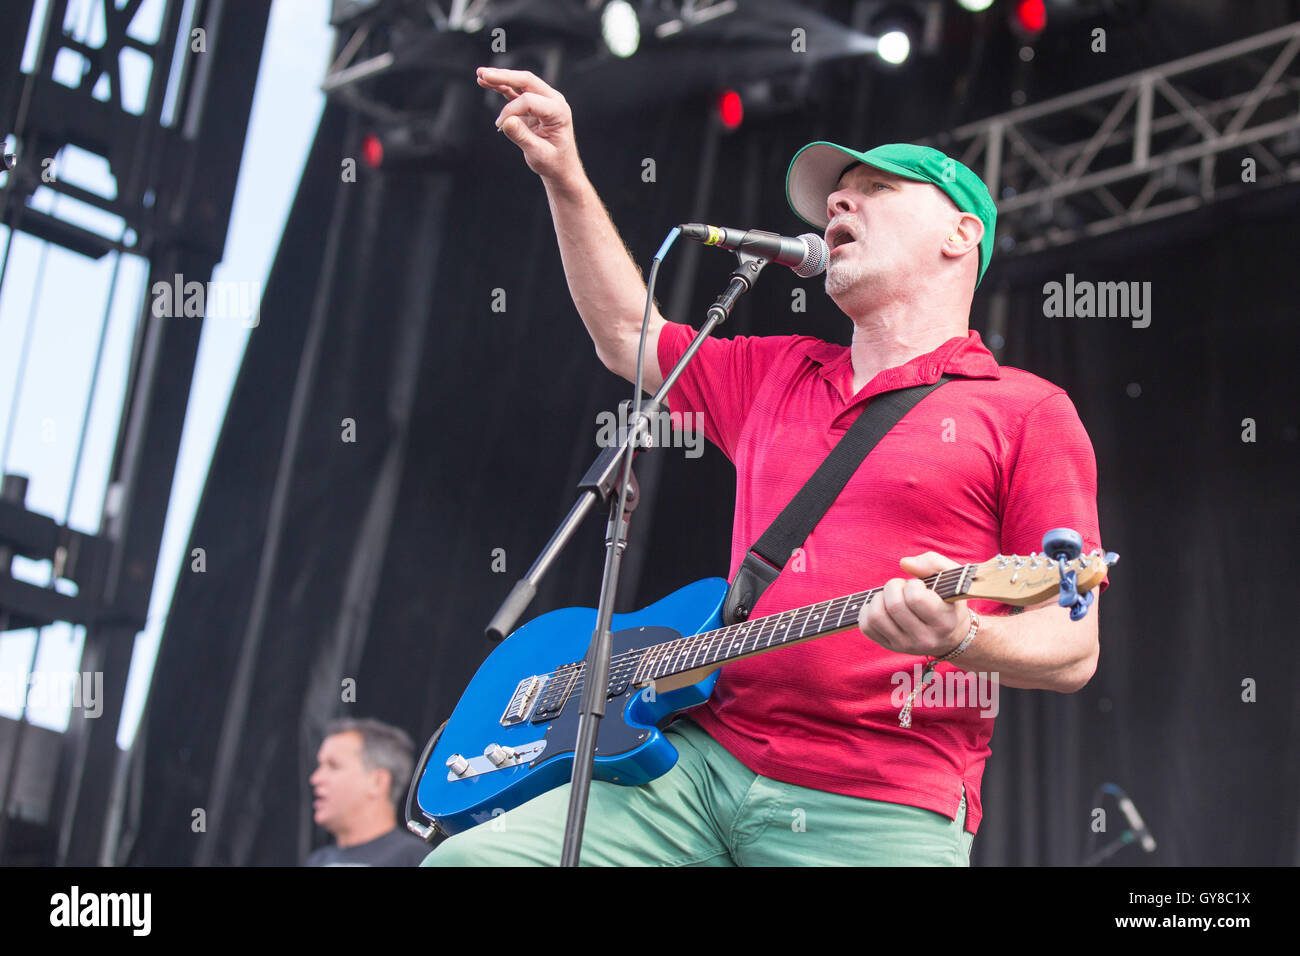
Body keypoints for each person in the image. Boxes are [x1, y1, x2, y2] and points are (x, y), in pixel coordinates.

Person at [420, 67, 1108, 867]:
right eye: (834, 197)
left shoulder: (1026, 410)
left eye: (874, 188)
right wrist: (566, 175)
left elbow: (1072, 641)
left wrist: (961, 638)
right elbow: (626, 334)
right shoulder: (777, 371)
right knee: (472, 861)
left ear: (960, 234)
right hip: (700, 764)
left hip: (879, 798)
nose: (838, 205)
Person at [306, 717, 435, 866]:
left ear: (378, 781)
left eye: (333, 766)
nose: (316, 779)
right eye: (319, 766)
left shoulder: (416, 858)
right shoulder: (317, 860)